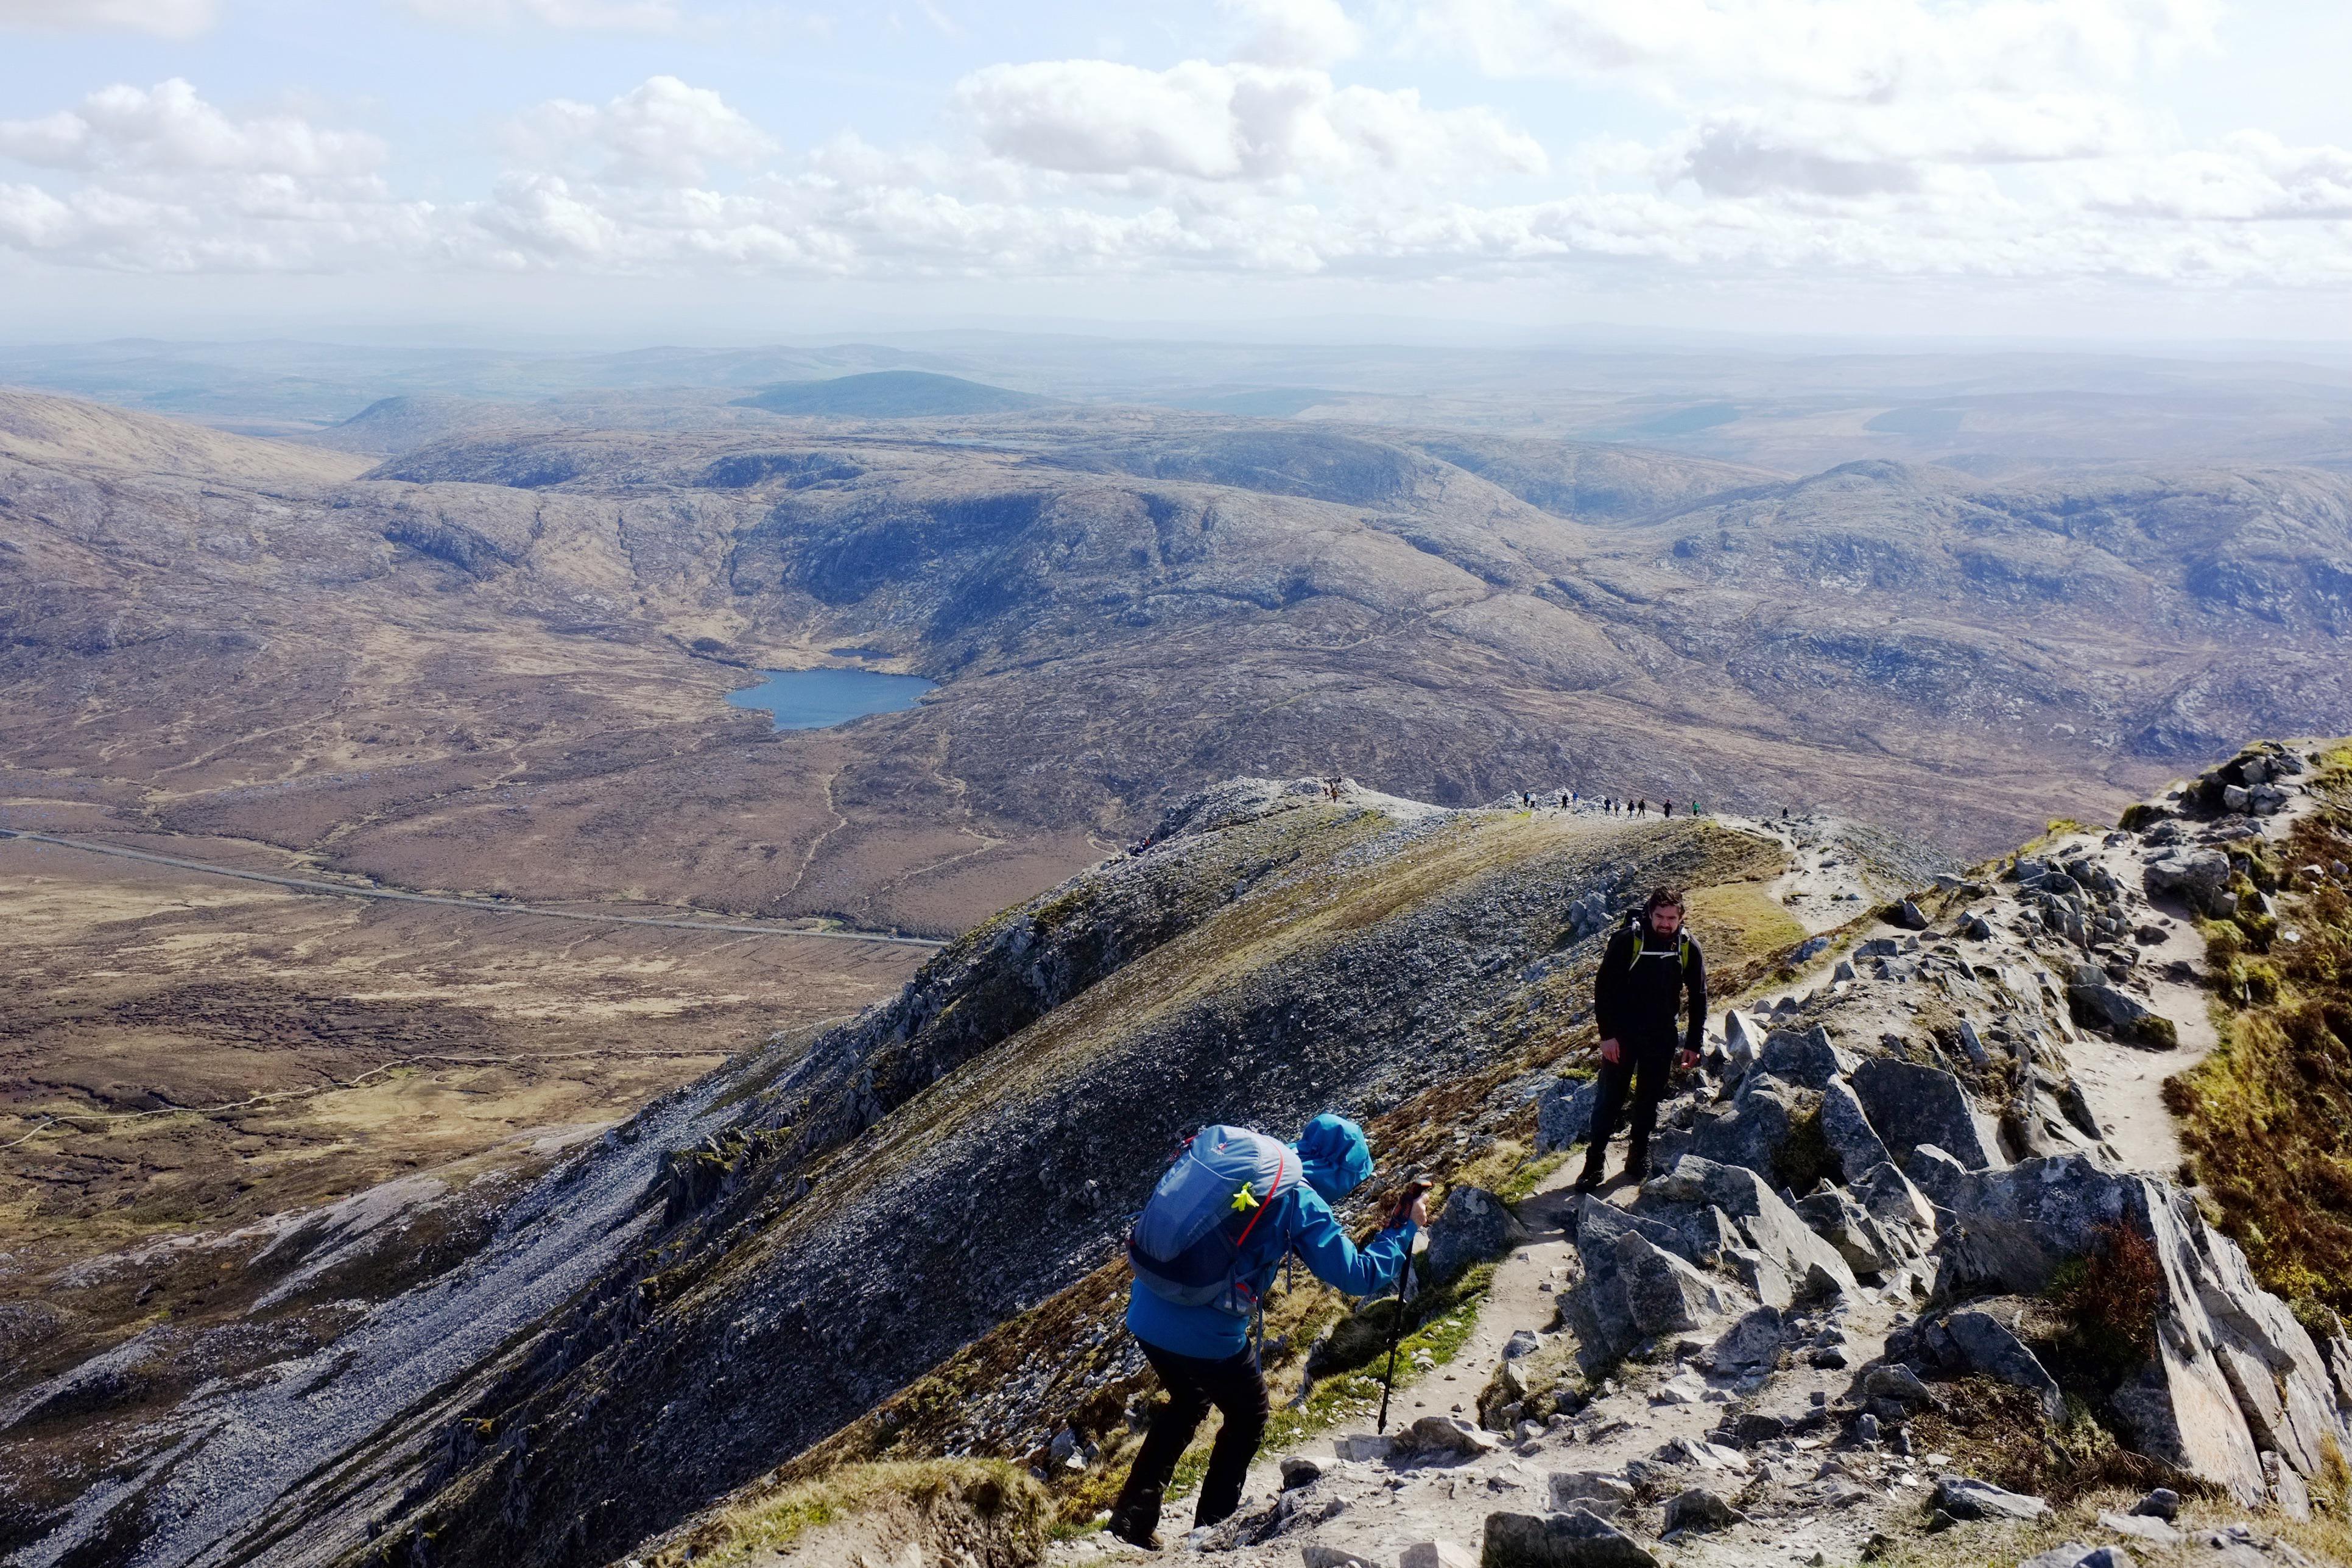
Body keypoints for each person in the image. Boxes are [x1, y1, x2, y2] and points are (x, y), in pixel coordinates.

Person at [1110, 1114, 1425, 1549]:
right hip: (1202, 1331)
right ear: (1342, 1172)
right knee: (1249, 1414)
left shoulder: (1262, 1165)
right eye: (1353, 1180)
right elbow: (1358, 1275)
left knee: (1188, 1400)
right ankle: (1213, 1530)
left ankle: (1131, 1521)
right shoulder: (1299, 1196)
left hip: (1147, 1306)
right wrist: (1404, 1229)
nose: (1350, 1190)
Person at [1575, 887, 1708, 1192]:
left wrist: (1693, 1044)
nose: (1665, 923)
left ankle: (1637, 1156)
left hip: (1661, 1036)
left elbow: (1699, 997)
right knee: (1610, 1099)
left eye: (1671, 918)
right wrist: (1607, 1036)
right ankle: (1594, 1162)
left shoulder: (1687, 947)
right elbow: (1603, 989)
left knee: (1649, 1099)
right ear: (1649, 914)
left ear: (1681, 918)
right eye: (1659, 916)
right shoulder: (1627, 942)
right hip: (1622, 1035)